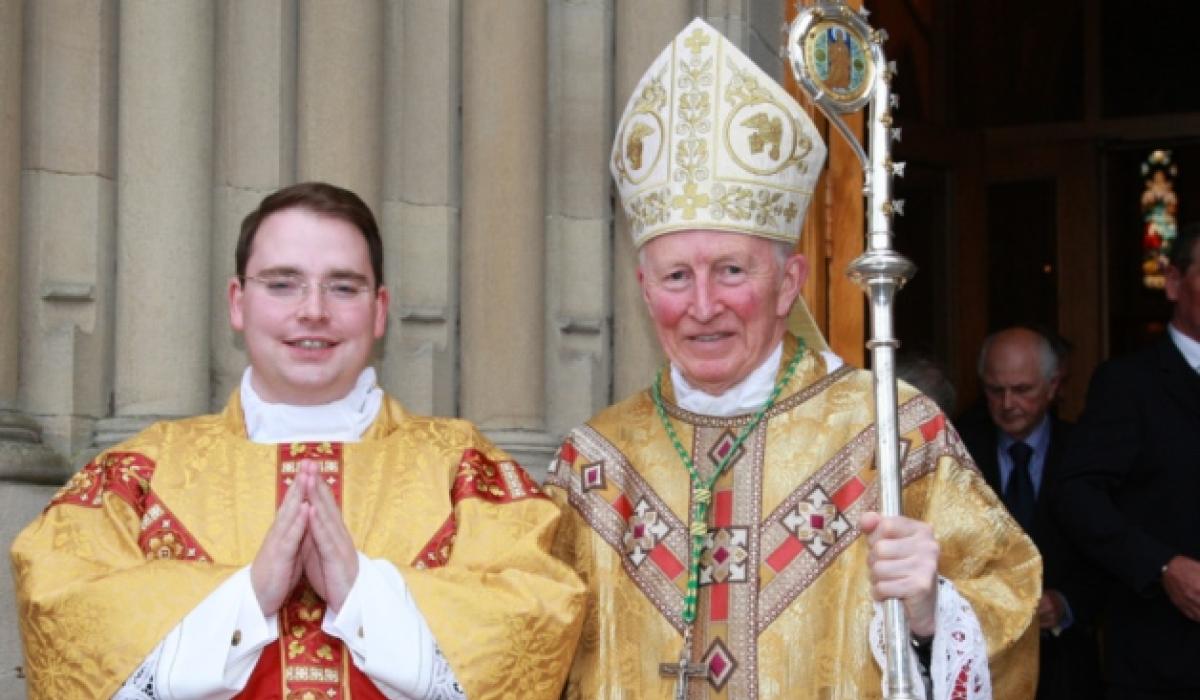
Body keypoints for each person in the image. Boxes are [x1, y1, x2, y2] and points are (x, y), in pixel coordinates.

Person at [544, 18, 1039, 700]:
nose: (704, 305)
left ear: (789, 283)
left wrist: (931, 616)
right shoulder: (595, 465)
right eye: (677, 277)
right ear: (644, 289)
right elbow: (530, 656)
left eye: (731, 270)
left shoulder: (893, 435)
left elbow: (1012, 610)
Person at [10, 182, 585, 700]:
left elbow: (537, 615)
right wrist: (246, 599)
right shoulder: (138, 473)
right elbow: (62, 613)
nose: (313, 311)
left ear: (379, 310)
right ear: (238, 302)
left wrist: (364, 595)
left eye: (343, 287)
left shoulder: (466, 471)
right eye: (283, 284)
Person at [1055, 222, 1200, 700]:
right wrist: (1162, 566)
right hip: (1164, 660)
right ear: (1174, 281)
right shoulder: (1128, 383)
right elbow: (1077, 495)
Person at [957, 326, 1103, 699]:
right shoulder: (957, 452)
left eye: (1022, 390)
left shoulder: (1086, 451)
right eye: (995, 390)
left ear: (1053, 387)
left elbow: (1108, 548)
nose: (1008, 403)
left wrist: (1067, 603)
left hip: (1065, 667)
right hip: (980, 662)